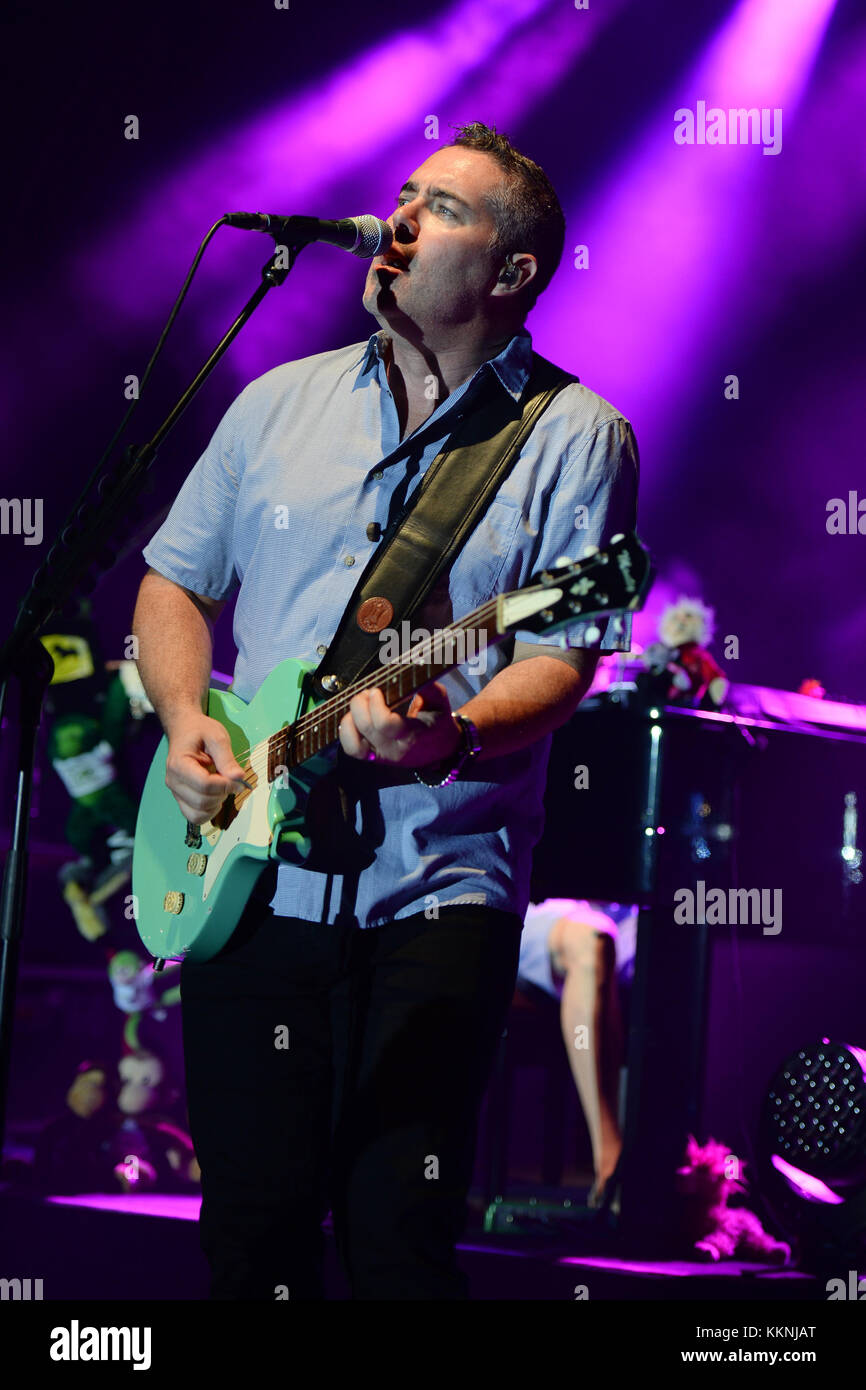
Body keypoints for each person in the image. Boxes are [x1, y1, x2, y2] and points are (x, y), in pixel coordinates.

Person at [132, 122, 639, 1300]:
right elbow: (171, 580)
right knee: (249, 1234)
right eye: (402, 193)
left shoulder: (575, 436)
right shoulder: (275, 401)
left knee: (393, 1237)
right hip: (249, 885)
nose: (399, 218)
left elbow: (567, 653)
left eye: (444, 207)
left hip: (434, 891)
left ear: (511, 272)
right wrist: (177, 718)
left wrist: (450, 732)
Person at [518, 898, 638, 1207]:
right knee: (594, 942)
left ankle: (676, 1169)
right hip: (541, 906)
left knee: (683, 939)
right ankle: (611, 1169)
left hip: (630, 910)